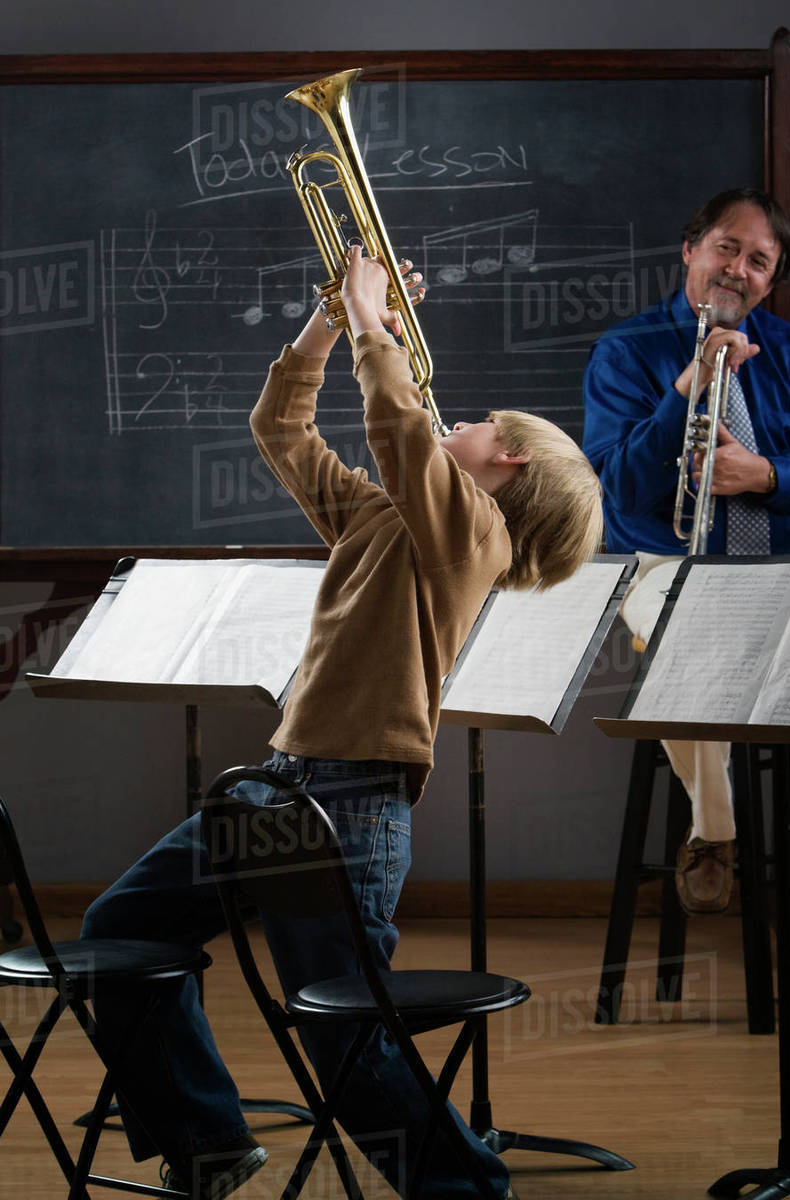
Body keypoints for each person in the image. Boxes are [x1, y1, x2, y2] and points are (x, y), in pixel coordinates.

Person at [81, 244, 603, 1200]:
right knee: (122, 929)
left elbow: (403, 428)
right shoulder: (386, 521)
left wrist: (373, 321)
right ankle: (206, 1141)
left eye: (486, 424)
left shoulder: (475, 537)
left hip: (353, 804)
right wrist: (327, 319)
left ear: (511, 461)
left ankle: (467, 1192)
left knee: (341, 1031)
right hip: (281, 790)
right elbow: (279, 428)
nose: (467, 419)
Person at [582, 188, 790, 920]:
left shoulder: (789, 352)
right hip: (661, 566)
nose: (738, 268)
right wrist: (686, 388)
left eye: (759, 261)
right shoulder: (625, 353)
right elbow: (619, 485)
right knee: (685, 633)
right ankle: (715, 829)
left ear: (768, 281)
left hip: (785, 568)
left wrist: (765, 475)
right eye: (727, 247)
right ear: (690, 249)